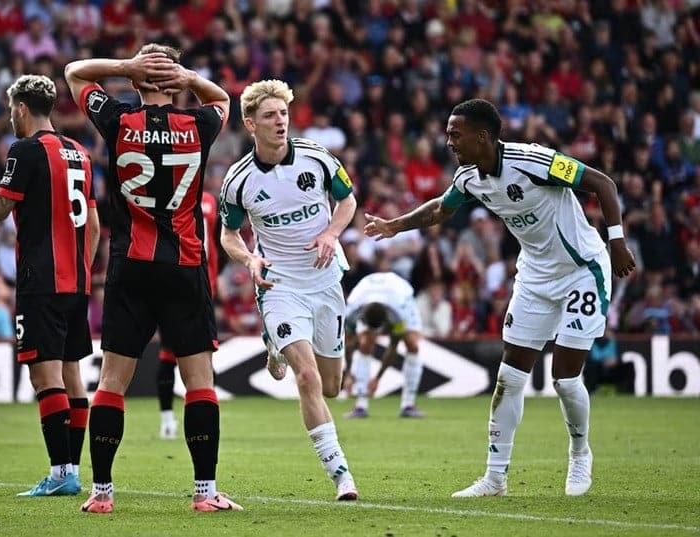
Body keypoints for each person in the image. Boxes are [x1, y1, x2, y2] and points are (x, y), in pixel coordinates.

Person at [364, 99, 636, 497]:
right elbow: (441, 208)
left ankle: (580, 453)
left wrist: (617, 242)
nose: (449, 140)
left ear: (484, 136)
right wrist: (395, 225)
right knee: (509, 378)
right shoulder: (469, 178)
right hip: (535, 278)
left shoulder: (534, 162)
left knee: (564, 378)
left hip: (582, 270)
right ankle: (495, 477)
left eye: (456, 133)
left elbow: (602, 184)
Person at [64, 44, 242, 513]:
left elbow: (75, 74)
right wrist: (188, 76)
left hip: (130, 266)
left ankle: (101, 494)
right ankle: (205, 494)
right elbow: (224, 99)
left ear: (140, 80)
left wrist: (125, 68)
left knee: (111, 382)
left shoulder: (118, 121)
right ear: (175, 83)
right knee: (199, 381)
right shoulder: (199, 125)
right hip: (184, 267)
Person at [219, 79, 359, 501]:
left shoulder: (318, 159)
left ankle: (274, 344)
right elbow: (228, 236)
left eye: (283, 114)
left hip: (325, 280)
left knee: (333, 385)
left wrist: (332, 233)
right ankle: (342, 478)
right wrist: (249, 259)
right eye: (269, 116)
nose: (280, 122)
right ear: (250, 124)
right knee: (309, 377)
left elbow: (348, 201)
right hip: (279, 286)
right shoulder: (238, 180)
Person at [0, 74, 100, 497]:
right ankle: (72, 471)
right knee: (73, 376)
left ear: (21, 108)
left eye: (11, 109)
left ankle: (61, 474)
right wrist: (80, 270)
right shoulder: (80, 152)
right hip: (75, 282)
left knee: (46, 378)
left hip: (40, 282)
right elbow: (93, 225)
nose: (10, 116)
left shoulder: (24, 150)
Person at [157, 190, 219, 440]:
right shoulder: (195, 199)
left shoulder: (207, 200)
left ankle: (180, 418)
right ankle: (168, 419)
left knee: (194, 356)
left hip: (201, 285)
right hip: (180, 283)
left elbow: (212, 243)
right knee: (171, 356)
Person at [341, 271, 425, 419]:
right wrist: (348, 374)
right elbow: (349, 344)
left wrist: (378, 378)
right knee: (365, 343)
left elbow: (393, 345)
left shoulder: (398, 314)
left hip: (401, 295)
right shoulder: (353, 310)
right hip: (368, 289)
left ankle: (408, 404)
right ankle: (360, 405)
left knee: (413, 345)